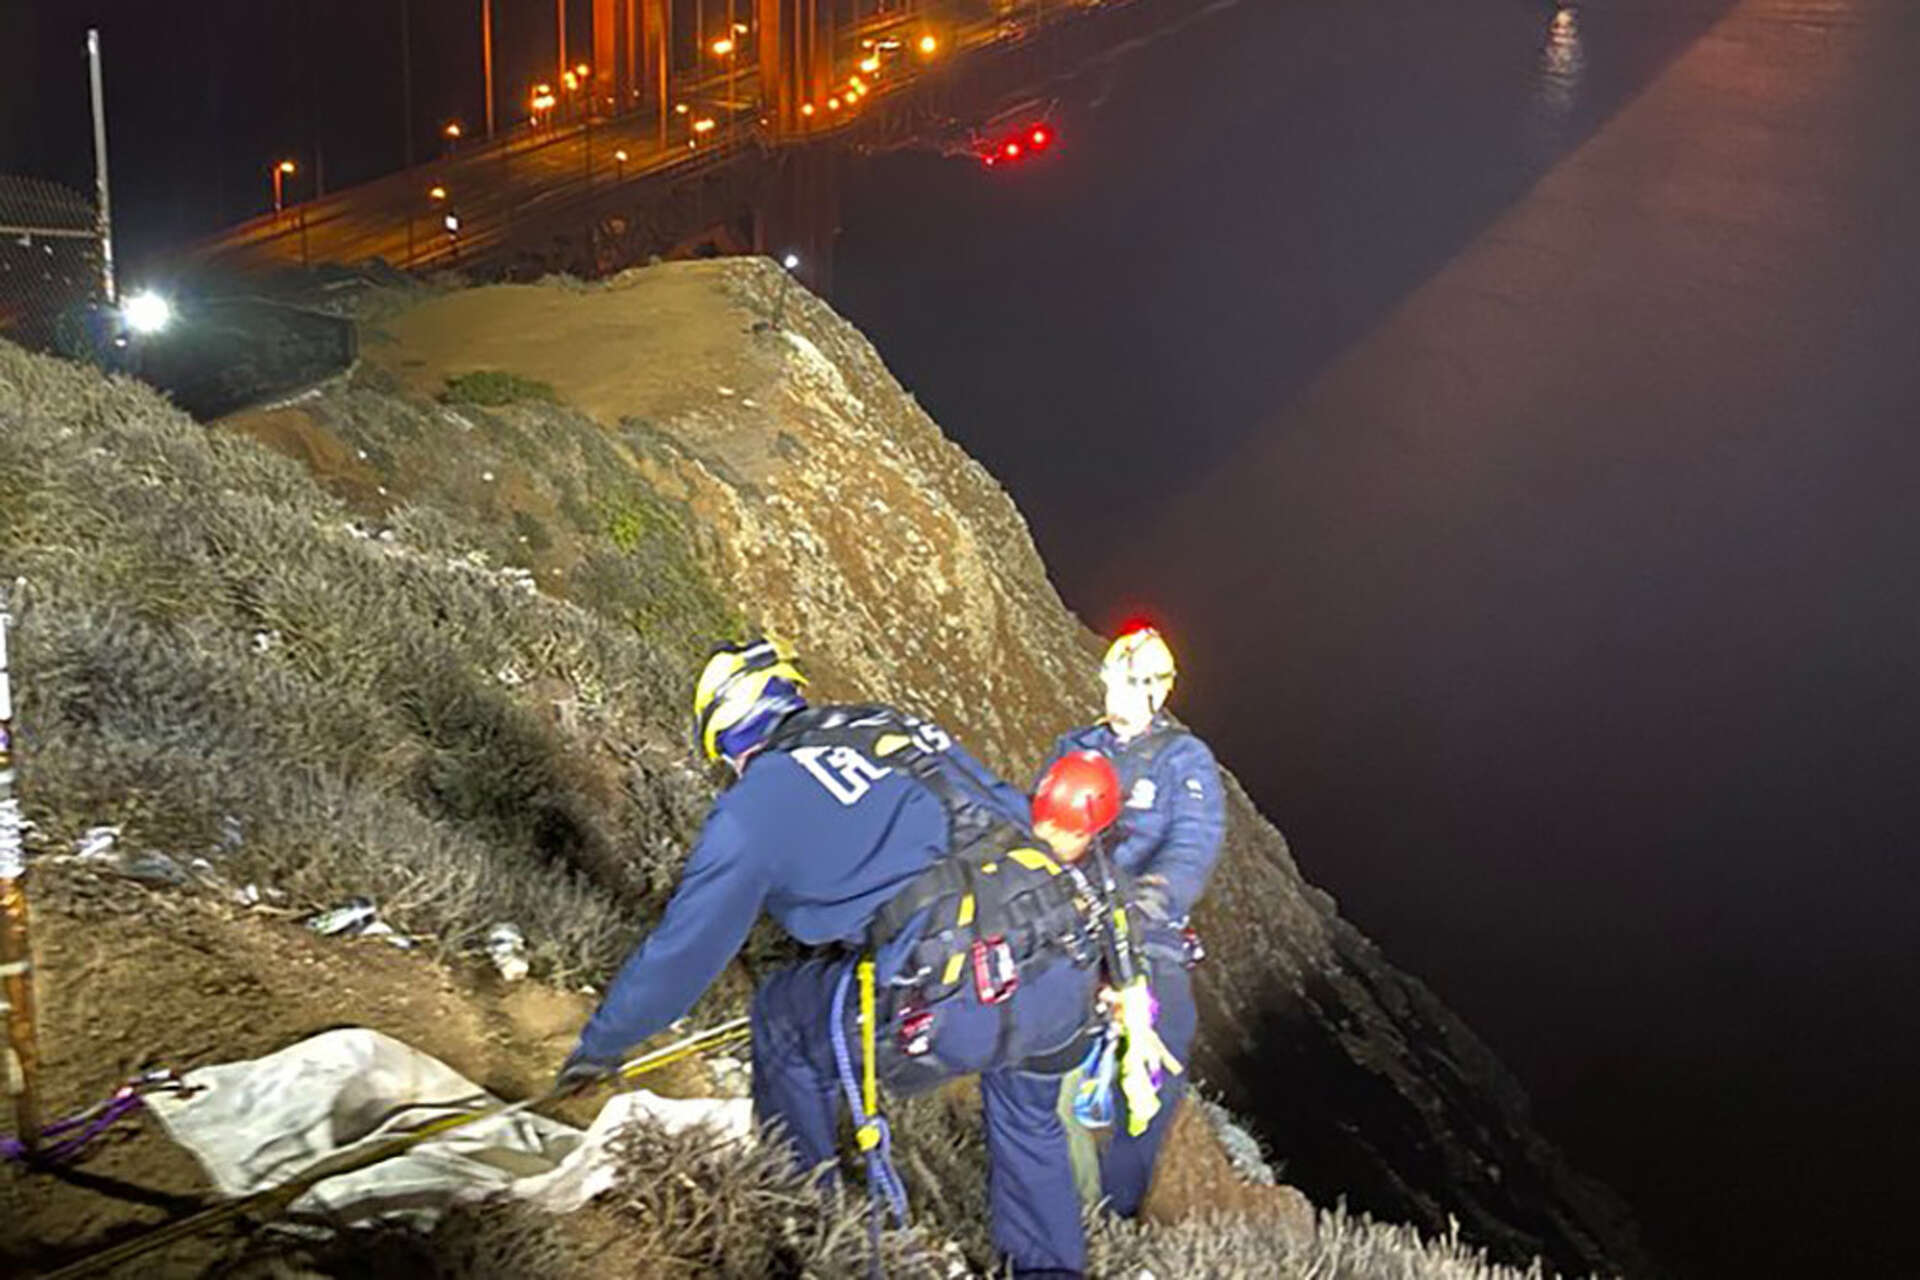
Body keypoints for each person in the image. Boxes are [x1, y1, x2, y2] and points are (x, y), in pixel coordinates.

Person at [558, 639, 1130, 1278]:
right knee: (1029, 1121)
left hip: (956, 986)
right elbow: (1021, 816)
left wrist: (603, 1046)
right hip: (1062, 962)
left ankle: (808, 1225)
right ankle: (1050, 1270)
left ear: (727, 733)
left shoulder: (754, 808)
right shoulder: (887, 726)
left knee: (781, 1015)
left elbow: (683, 954)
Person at [1041, 625, 1225, 1218]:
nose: (1110, 692)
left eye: (1123, 682)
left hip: (1145, 937)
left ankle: (1115, 1213)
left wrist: (1145, 907)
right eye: (1110, 679)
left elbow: (1191, 848)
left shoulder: (1181, 761)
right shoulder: (1076, 748)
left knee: (1159, 1048)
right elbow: (1041, 824)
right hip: (1068, 922)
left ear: (1152, 690)